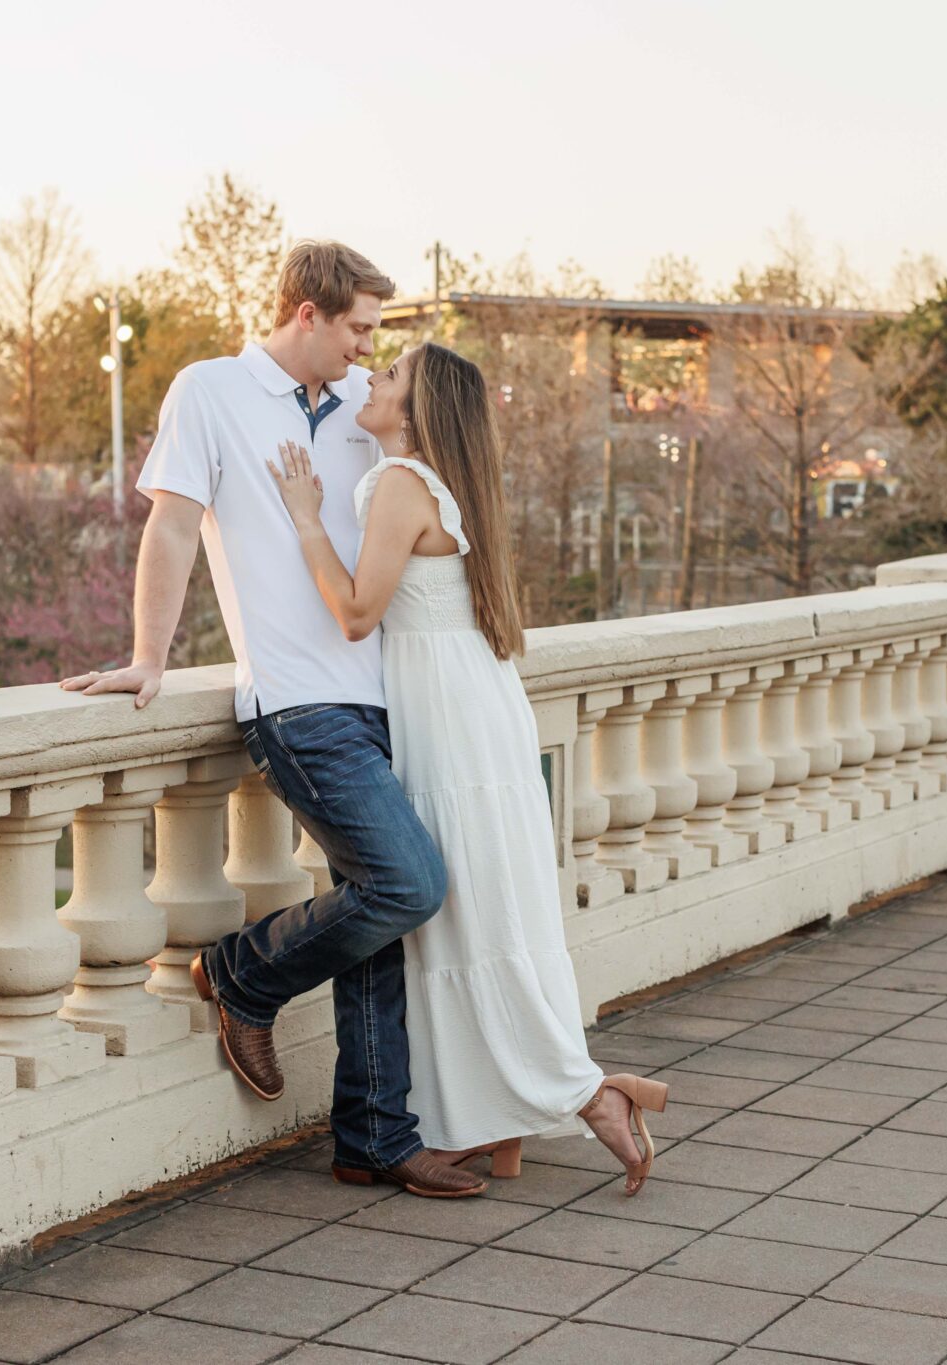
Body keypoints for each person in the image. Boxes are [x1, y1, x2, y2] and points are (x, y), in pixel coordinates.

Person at [61, 242, 485, 1199]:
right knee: (409, 883)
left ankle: (374, 1137)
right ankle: (244, 973)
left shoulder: (368, 410)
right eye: (359, 328)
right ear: (307, 313)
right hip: (297, 702)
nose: (370, 349)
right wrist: (150, 656)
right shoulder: (210, 390)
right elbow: (173, 525)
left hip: (392, 697)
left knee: (378, 914)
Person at [262, 342, 666, 1196]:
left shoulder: (399, 482)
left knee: (459, 924)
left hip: (444, 717)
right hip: (477, 705)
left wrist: (304, 516)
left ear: (416, 414)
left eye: (391, 375)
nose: (373, 377)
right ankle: (513, 1110)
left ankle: (589, 1093)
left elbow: (357, 614)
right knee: (485, 917)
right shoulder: (445, 483)